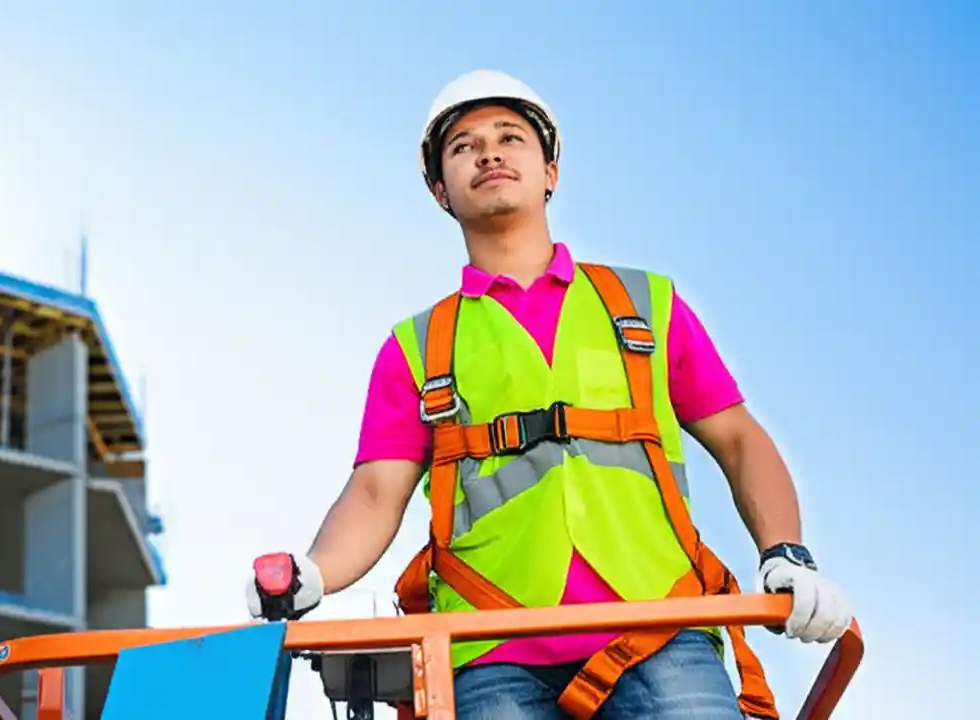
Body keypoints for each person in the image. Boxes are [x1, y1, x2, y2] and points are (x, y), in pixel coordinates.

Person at [245, 69, 852, 719]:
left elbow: (738, 440)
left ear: (551, 171)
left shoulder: (646, 306)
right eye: (463, 146)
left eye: (510, 137)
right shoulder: (417, 347)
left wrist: (786, 554)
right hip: (487, 649)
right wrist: (314, 572)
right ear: (439, 191)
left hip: (662, 625)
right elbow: (373, 494)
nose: (489, 153)